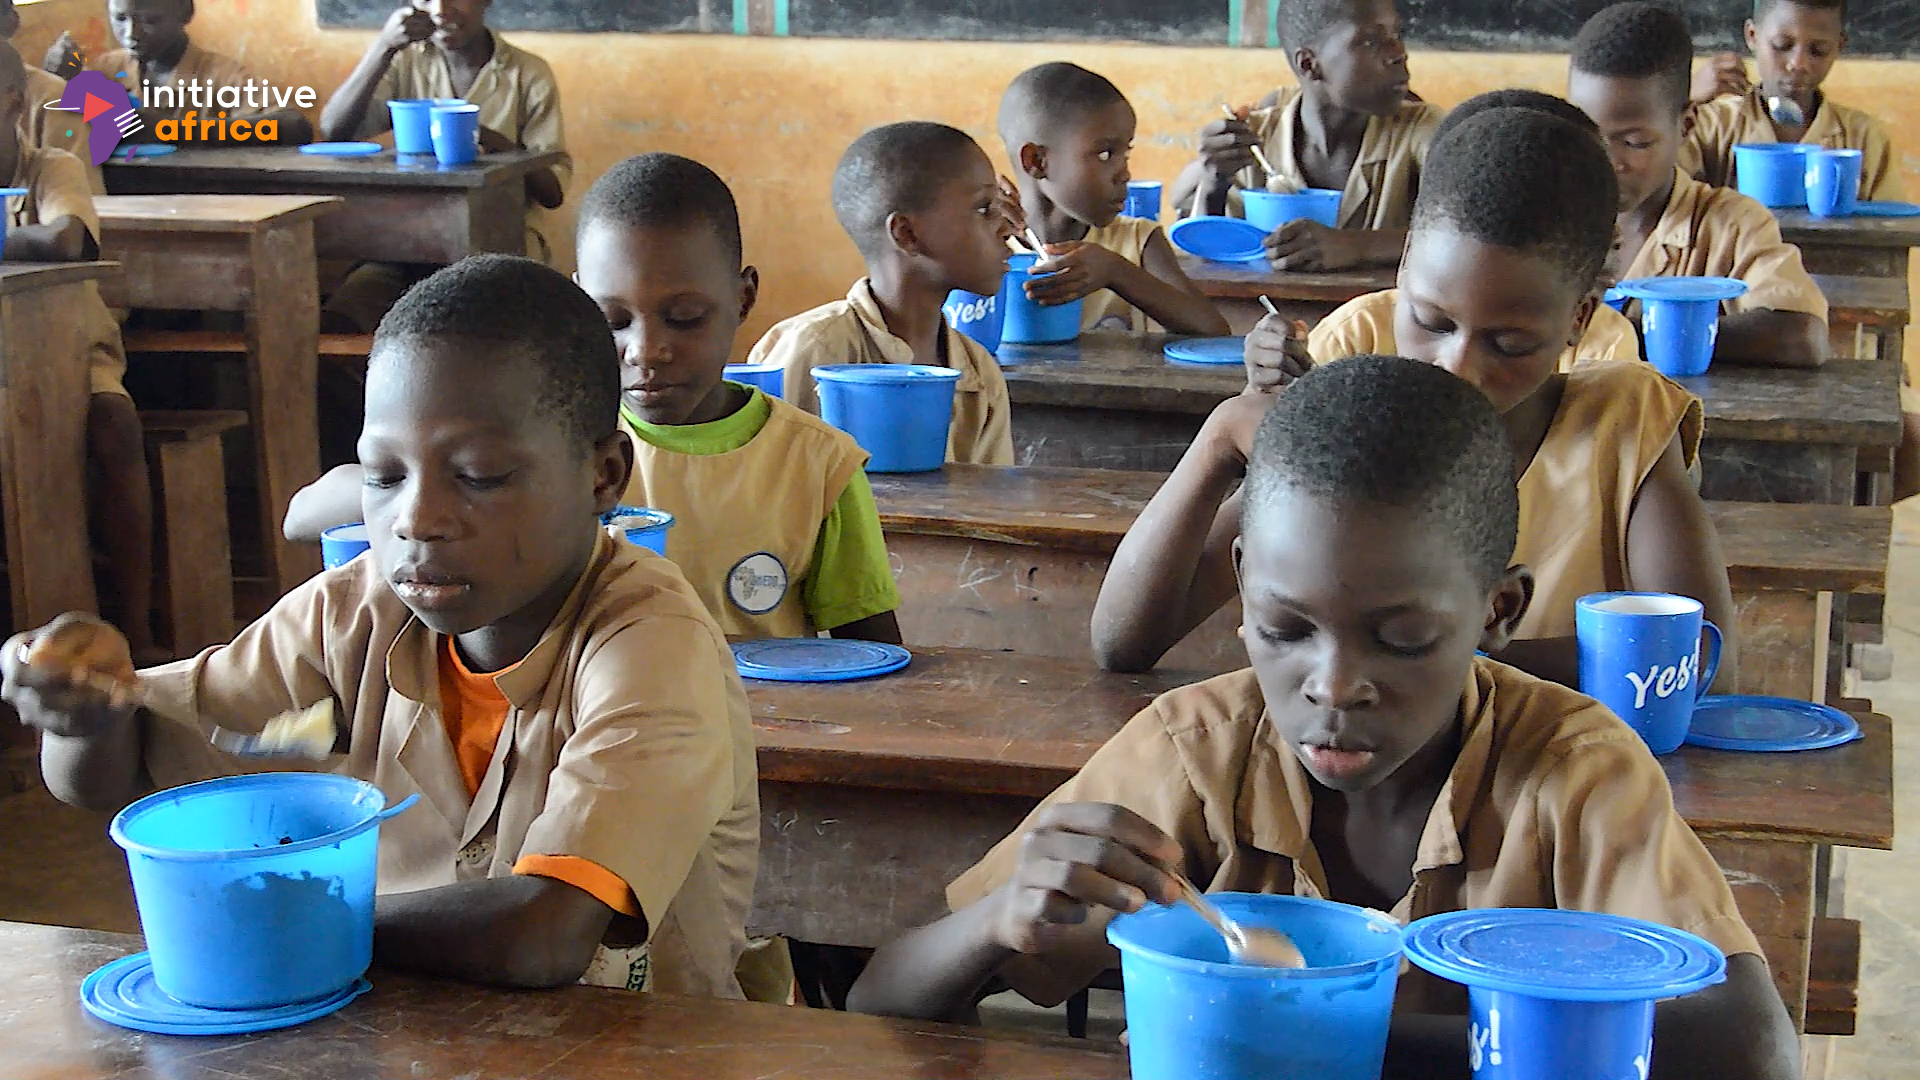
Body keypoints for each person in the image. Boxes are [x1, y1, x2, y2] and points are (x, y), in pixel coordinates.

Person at [847, 354, 1799, 1079]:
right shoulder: (1196, 750)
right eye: (1286, 629)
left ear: (1498, 613)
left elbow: (1748, 1042)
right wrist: (993, 927)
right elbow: (883, 997)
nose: (1334, 686)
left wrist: (1318, 1033)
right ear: (1242, 594)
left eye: (1403, 639)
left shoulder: (1573, 768)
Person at [7, 254, 759, 999]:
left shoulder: (652, 642)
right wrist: (84, 709)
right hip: (418, 1041)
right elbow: (112, 778)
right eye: (385, 476)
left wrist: (294, 924)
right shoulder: (358, 609)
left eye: (479, 476)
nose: (417, 521)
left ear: (603, 475)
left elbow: (547, 933)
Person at [1091, 104, 1735, 691]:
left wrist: (1429, 663)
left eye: (1509, 344)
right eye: (1431, 322)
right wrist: (1221, 436)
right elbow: (1125, 641)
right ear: (1403, 269)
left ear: (1579, 318)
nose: (1459, 368)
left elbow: (1699, 665)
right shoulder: (1350, 405)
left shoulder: (1624, 424)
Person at [0, 41, 158, 666]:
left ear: (14, 100)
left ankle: (135, 621)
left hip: (74, 349)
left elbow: (67, 239)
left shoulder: (50, 168)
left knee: (114, 424)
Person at [1567, 1, 1829, 370]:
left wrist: (1625, 334)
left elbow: (1801, 336)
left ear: (1687, 125)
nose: (1610, 161)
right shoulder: (1549, 215)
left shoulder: (1731, 225)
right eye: (1590, 137)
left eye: (1636, 142)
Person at [746, 121, 1016, 466]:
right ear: (907, 234)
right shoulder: (815, 351)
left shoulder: (978, 373)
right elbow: (767, 486)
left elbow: (993, 506)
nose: (1006, 226)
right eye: (983, 208)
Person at [1173, 0, 1444, 271]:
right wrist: (1213, 183)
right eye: (1371, 41)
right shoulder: (1254, 140)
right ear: (1309, 64)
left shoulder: (1421, 129)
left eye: (1397, 35)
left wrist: (1357, 246)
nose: (1399, 53)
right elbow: (1207, 262)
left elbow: (1478, 237)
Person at [997, 62, 1227, 336]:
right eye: (1105, 154)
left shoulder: (1137, 241)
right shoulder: (990, 241)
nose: (1125, 174)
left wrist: (1116, 272)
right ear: (1037, 161)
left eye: (1125, 154)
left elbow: (1213, 331)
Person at [1683, 0, 1902, 200]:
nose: (1799, 64)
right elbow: (1656, 199)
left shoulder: (1864, 137)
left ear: (1839, 46)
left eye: (1819, 50)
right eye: (1782, 45)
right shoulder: (1709, 125)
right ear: (1752, 35)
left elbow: (1892, 232)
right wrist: (1682, 100)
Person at [44, 0, 312, 143]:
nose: (132, 34)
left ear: (185, 12)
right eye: (120, 18)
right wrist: (58, 82)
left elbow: (293, 126)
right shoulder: (107, 69)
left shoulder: (220, 75)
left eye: (151, 20)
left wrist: (171, 130)